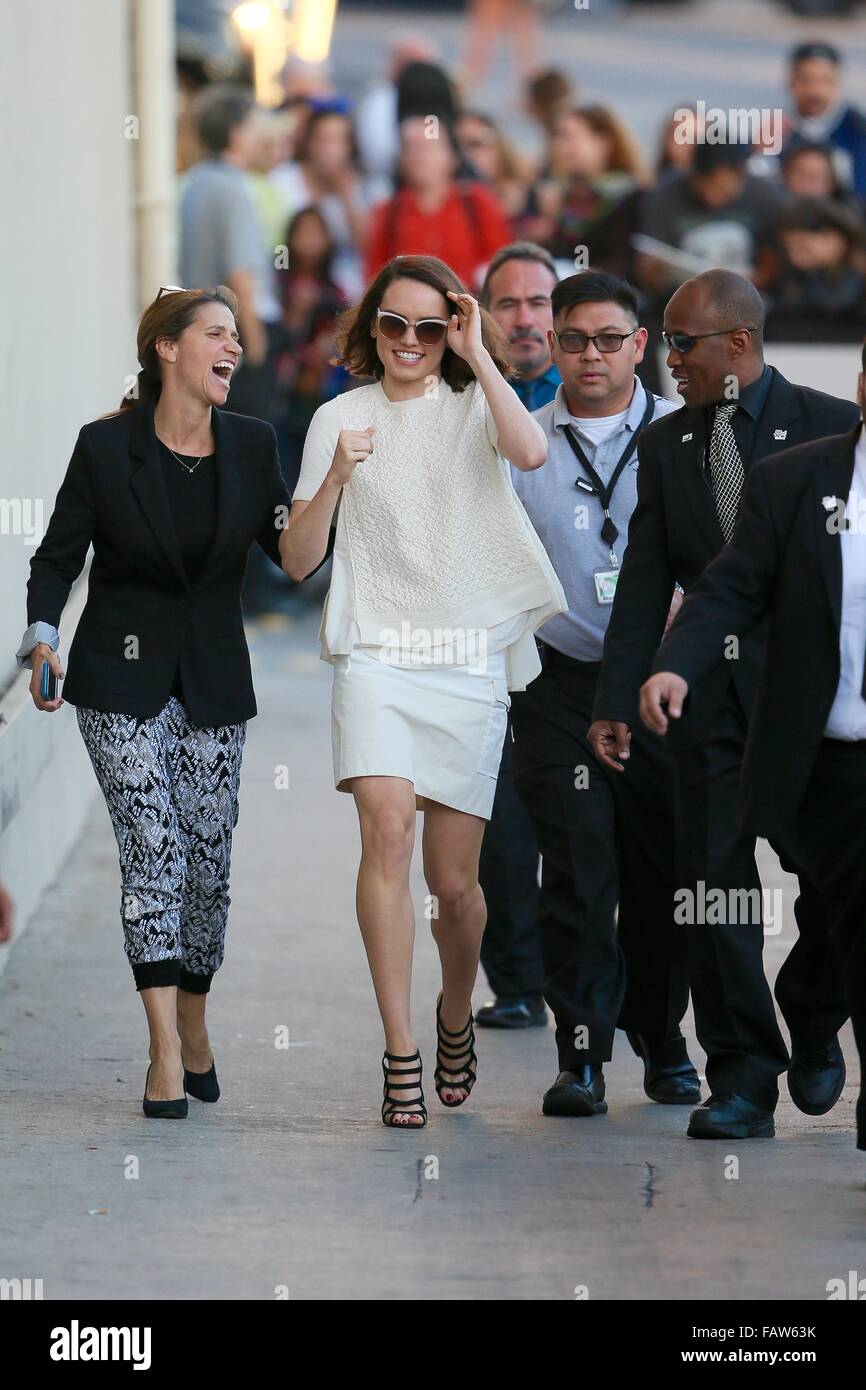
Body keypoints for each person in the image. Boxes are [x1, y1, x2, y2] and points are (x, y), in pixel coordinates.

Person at [280, 254, 567, 1128]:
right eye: (394, 323)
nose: (410, 341)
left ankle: (453, 1010)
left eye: (429, 327)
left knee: (456, 887)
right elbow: (297, 561)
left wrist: (482, 357)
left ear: (451, 330)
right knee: (387, 833)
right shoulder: (337, 416)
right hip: (375, 651)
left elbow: (531, 450)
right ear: (372, 327)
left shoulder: (474, 400)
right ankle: (400, 1048)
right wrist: (334, 476)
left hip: (464, 652)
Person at [589, 268, 859, 1140]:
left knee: (834, 886)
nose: (669, 362)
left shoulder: (828, 430)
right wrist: (619, 695)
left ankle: (815, 1009)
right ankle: (741, 1074)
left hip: (810, 710)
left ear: (738, 345)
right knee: (713, 888)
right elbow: (645, 580)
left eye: (682, 344)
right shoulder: (669, 447)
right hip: (704, 702)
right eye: (666, 344)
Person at [16, 286, 294, 1119]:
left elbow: (291, 554)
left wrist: (338, 486)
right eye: (216, 334)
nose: (234, 349)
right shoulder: (106, 450)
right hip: (117, 682)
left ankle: (195, 1020)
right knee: (153, 850)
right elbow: (58, 556)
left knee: (208, 867)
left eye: (237, 338)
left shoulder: (251, 445)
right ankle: (163, 1049)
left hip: (212, 681)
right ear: (167, 349)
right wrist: (41, 634)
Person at [509, 271, 696, 1117]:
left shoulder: (684, 435)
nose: (592, 355)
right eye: (575, 339)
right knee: (580, 865)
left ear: (640, 346)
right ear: (552, 347)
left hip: (663, 678)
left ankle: (663, 1043)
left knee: (663, 869)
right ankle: (580, 1055)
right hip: (561, 682)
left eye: (610, 340)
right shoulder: (527, 444)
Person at [472, 242, 561, 1028]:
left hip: (581, 645)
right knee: (499, 822)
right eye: (509, 303)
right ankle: (519, 984)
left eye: (540, 302)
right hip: (492, 646)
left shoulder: (605, 394)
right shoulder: (460, 392)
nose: (526, 317)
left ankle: (591, 978)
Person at [178, 86, 281, 420]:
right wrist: (255, 344)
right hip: (234, 334)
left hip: (200, 328)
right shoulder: (232, 188)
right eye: (254, 128)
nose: (263, 139)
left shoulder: (194, 182)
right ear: (236, 135)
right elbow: (240, 272)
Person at [364, 118, 511, 292]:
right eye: (410, 148)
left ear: (451, 156)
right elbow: (374, 278)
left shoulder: (477, 202)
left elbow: (501, 264)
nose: (419, 156)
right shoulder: (387, 213)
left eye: (427, 147)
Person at [782, 41, 866, 197]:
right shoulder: (772, 131)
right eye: (806, 80)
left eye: (824, 80)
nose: (814, 91)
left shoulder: (857, 131)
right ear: (791, 82)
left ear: (837, 84)